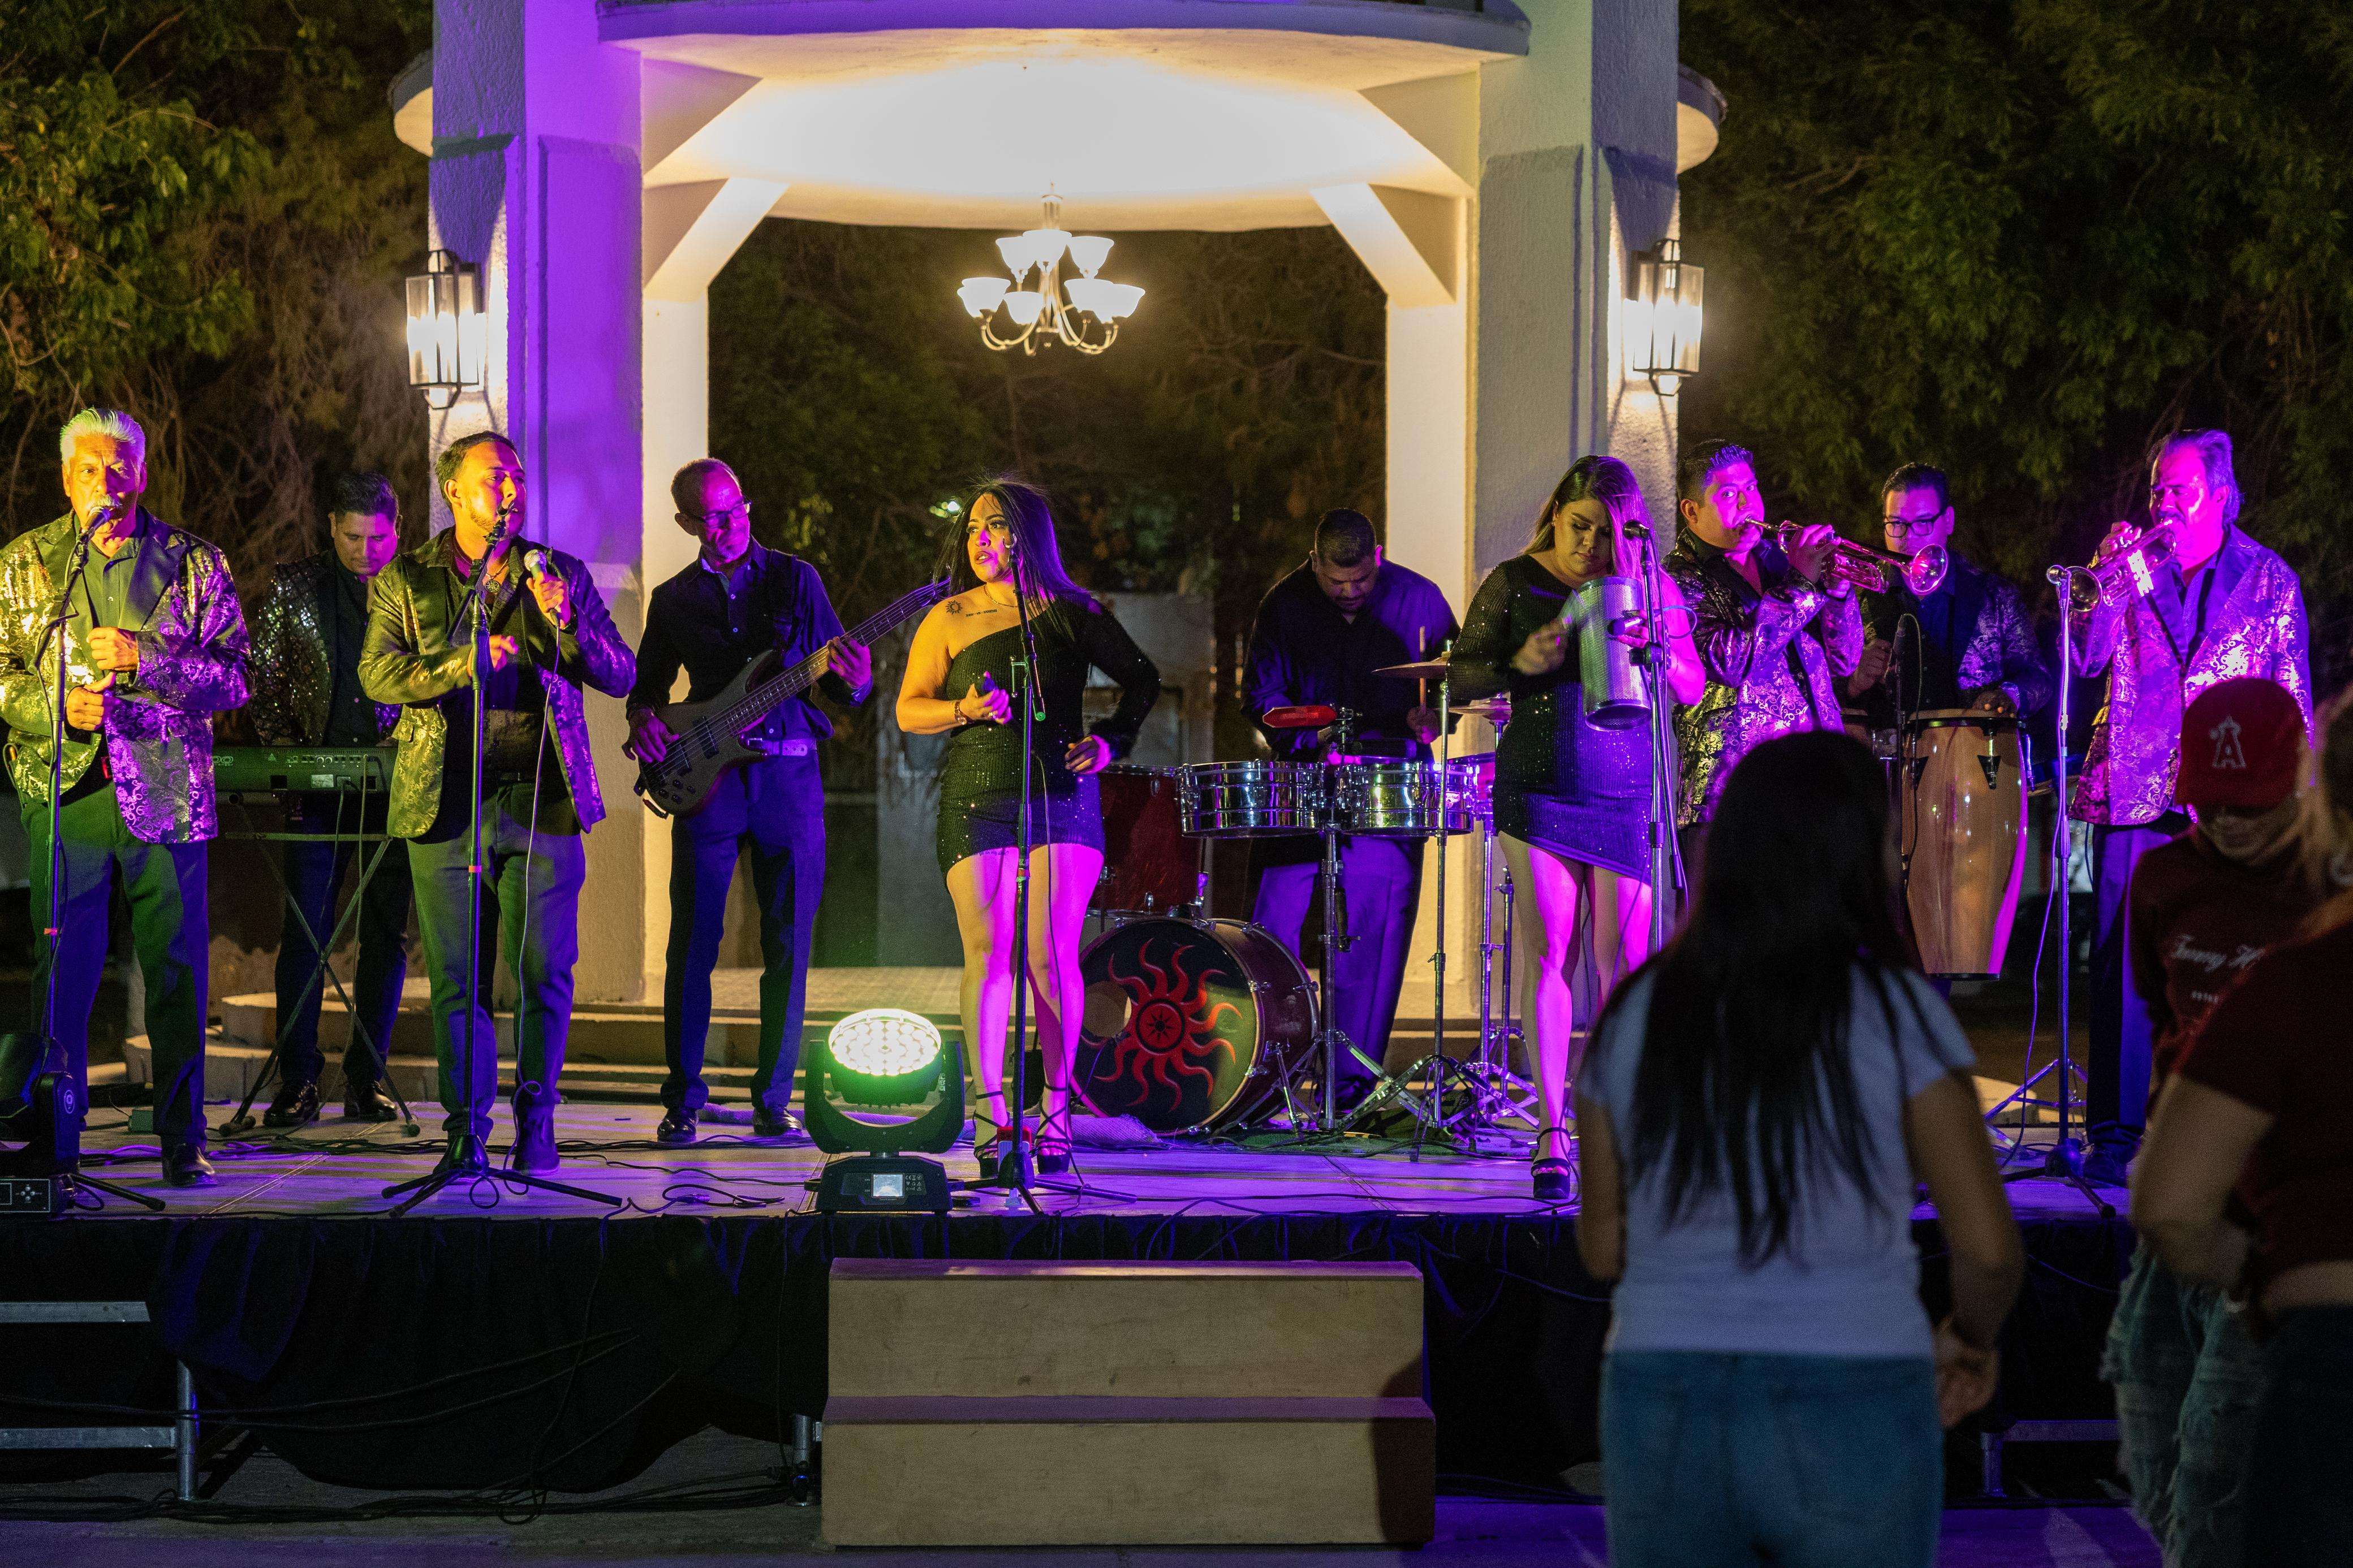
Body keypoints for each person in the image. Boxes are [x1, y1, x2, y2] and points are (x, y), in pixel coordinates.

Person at [1575, 731, 2023, 1568]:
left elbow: (1603, 1249)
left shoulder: (1634, 1013)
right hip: (1853, 1384)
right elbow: (1990, 1249)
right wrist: (1969, 1337)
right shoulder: (1896, 1010)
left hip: (1664, 1388)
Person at [2101, 677, 2334, 1568]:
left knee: (2219, 1468)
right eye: (2213, 803)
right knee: (2158, 1456)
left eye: (2253, 805)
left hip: (2273, 1226)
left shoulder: (2330, 886)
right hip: (2184, 1216)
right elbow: (2161, 1008)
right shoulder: (2167, 878)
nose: (2231, 823)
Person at [359, 431, 634, 1173]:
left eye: (516, 479)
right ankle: (465, 1131)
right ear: (453, 491)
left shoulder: (558, 573)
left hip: (540, 799)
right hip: (446, 805)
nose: (509, 492)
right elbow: (380, 676)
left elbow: (619, 672)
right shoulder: (407, 578)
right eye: (492, 480)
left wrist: (567, 622)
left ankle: (537, 1121)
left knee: (546, 968)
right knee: (457, 978)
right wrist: (461, 663)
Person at [0, 408, 251, 1187]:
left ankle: (182, 1138)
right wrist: (52, 704)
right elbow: (5, 673)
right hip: (66, 792)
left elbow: (236, 677)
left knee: (174, 971)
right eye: (87, 468)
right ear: (65, 479)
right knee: (62, 968)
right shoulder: (24, 564)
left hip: (166, 790)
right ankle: (57, 1138)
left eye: (118, 467)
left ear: (140, 474)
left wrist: (149, 658)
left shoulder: (195, 563)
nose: (103, 481)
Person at [1451, 456, 1702, 1200]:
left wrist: (1660, 649)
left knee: (1625, 958)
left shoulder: (1649, 584)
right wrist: (1521, 663)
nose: (1591, 543)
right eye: (1579, 525)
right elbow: (1463, 674)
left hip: (1628, 781)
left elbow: (1690, 682)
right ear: (1555, 513)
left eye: (1610, 531)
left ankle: (1617, 1119)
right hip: (1542, 775)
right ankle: (1552, 1130)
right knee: (1550, 951)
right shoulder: (1513, 581)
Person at [894, 479, 1160, 1178]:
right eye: (975, 529)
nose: (982, 540)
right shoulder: (947, 615)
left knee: (1049, 955)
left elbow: (1142, 676)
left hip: (1062, 793)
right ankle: (988, 1115)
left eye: (998, 528)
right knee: (988, 953)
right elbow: (909, 708)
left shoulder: (1071, 612)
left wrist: (1112, 740)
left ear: (1029, 536)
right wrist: (965, 710)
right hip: (977, 795)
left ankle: (1052, 1109)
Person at [2073, 430, 2309, 1186]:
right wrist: (2106, 579)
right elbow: (2085, 656)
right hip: (2134, 786)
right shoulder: (2131, 568)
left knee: (2227, 957)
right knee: (2120, 957)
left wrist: (2291, 810)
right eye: (2155, 490)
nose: (2163, 503)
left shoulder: (2270, 578)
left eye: (2177, 488)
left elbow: (2294, 700)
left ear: (2219, 491)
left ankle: (2222, 1128)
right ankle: (2114, 1135)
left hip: (2230, 790)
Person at [628, 458, 872, 1145]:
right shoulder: (673, 598)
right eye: (710, 517)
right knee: (692, 942)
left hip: (788, 780)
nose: (727, 525)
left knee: (788, 943)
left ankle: (773, 1100)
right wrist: (643, 717)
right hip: (709, 782)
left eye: (735, 510)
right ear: (686, 524)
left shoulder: (796, 579)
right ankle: (683, 1099)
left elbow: (837, 675)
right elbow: (646, 686)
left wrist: (855, 682)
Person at [1240, 508, 1458, 1103]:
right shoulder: (1284, 604)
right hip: (1306, 773)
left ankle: (1350, 1084)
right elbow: (1258, 696)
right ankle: (1262, 1083)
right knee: (1272, 927)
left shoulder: (1420, 600)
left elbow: (1455, 677)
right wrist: (1305, 735)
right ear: (1313, 562)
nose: (1349, 592)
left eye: (1360, 579)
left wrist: (1434, 714)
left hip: (1386, 777)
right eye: (1335, 582)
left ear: (1377, 557)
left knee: (1374, 927)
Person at [247, 472, 411, 1127]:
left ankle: (365, 1079)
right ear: (331, 527)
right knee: (305, 935)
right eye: (351, 536)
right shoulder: (296, 586)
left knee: (384, 937)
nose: (363, 551)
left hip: (396, 783)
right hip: (316, 785)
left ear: (396, 532)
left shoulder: (416, 590)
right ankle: (298, 1081)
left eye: (376, 538)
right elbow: (265, 682)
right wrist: (290, 763)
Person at [1663, 440, 1862, 872]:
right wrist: (1801, 585)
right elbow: (1734, 663)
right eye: (1729, 494)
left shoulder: (1779, 560)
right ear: (1691, 511)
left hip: (1813, 783)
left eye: (1751, 488)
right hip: (1730, 799)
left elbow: (1845, 660)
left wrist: (1839, 591)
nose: (1748, 503)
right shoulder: (1677, 580)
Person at [1847, 463, 2052, 728]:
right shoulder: (1858, 599)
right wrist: (1853, 681)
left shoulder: (1996, 595)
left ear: (1948, 521)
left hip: (1975, 756)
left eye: (1922, 522)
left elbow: (2038, 677)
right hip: (1888, 763)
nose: (1907, 538)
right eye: (1896, 524)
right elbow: (1819, 688)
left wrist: (2009, 695)